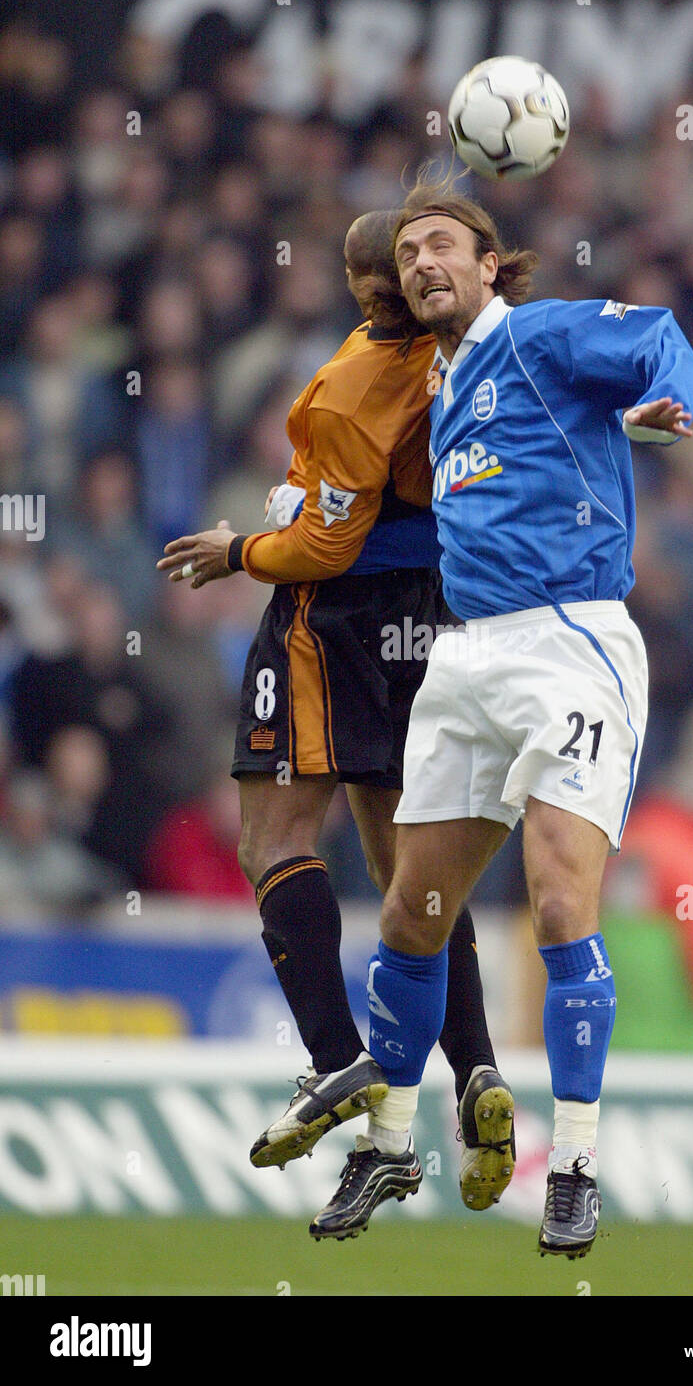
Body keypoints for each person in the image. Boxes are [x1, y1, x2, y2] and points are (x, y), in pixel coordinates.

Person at [304, 180, 693, 1257]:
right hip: (466, 656)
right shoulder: (436, 383)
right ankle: (391, 1138)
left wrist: (668, 401)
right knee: (408, 913)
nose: (424, 260)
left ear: (490, 262)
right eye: (410, 251)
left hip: (567, 643)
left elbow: (663, 338)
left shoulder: (538, 334)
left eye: (443, 242)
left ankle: (571, 1162)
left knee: (557, 901)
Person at [157, 210, 514, 1234]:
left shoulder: (364, 379)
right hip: (436, 617)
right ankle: (474, 1066)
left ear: (368, 284)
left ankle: (331, 1058)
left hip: (334, 621)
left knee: (271, 837)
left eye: (378, 266)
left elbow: (320, 543)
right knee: (413, 873)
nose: (374, 279)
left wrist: (238, 551)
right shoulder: (479, 356)